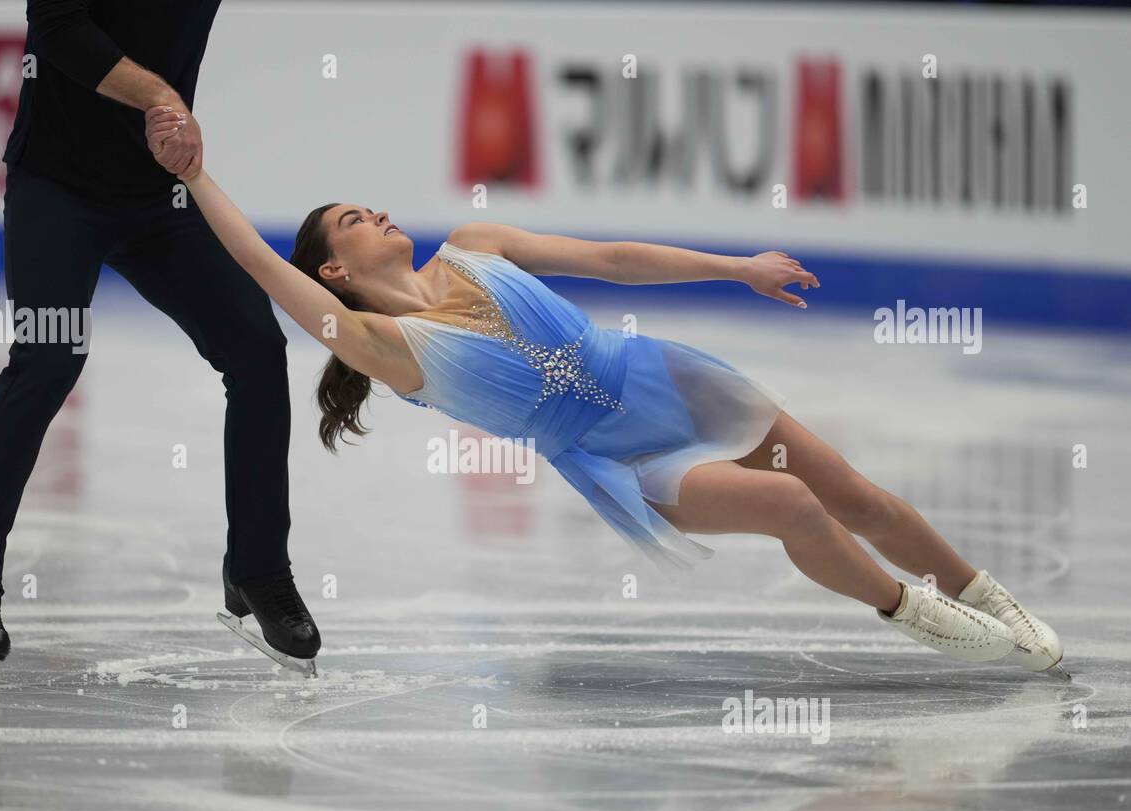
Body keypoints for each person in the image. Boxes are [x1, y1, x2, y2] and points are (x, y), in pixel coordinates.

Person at [142, 108, 1065, 677]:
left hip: (665, 378)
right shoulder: (384, 347)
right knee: (789, 504)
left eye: (369, 202)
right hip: (617, 455)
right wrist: (195, 175)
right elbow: (263, 262)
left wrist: (735, 267)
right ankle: (912, 613)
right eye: (353, 219)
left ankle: (984, 592)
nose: (378, 211)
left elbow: (614, 259)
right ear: (335, 270)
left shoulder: (475, 240)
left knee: (856, 494)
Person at [0, 1, 318, 682]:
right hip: (57, 187)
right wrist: (161, 96)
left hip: (159, 200)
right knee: (48, 359)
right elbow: (55, 26)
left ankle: (258, 569)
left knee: (256, 349)